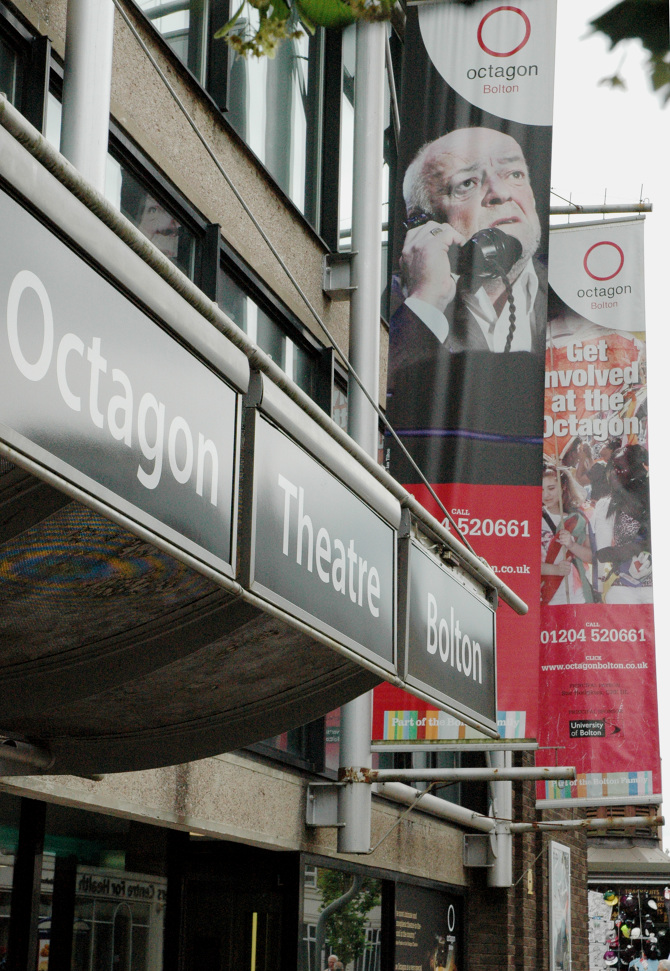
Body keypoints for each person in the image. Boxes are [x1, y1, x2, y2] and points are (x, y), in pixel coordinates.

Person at [390, 126, 546, 368]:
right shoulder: (384, 307)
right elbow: (381, 392)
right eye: (467, 183)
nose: (501, 193)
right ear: (424, 224)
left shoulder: (580, 290)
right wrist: (427, 300)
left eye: (515, 174)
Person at [592, 444, 652, 604]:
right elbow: (603, 554)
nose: (615, 472)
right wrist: (639, 548)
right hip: (623, 588)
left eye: (621, 467)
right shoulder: (608, 505)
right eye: (613, 467)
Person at [541, 460, 594, 605]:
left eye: (551, 488)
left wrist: (571, 545)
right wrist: (555, 570)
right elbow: (526, 564)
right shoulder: (532, 520)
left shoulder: (579, 518)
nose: (546, 495)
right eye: (541, 489)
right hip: (545, 595)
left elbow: (591, 557)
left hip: (577, 595)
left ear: (563, 486)